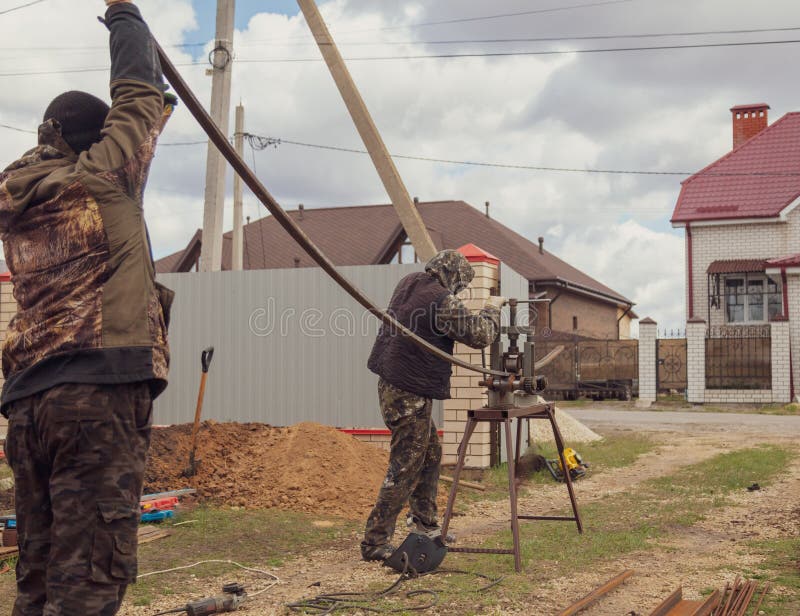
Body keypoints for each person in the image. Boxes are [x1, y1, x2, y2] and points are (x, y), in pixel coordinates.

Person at [0, 1, 174, 613]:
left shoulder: (22, 197)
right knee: (91, 576)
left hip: (28, 405)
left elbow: (142, 115)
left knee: (42, 573)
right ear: (96, 143)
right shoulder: (100, 181)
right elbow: (137, 106)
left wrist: (156, 101)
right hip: (95, 396)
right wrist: (125, 16)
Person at [361, 249, 505, 561]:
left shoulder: (410, 281)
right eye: (461, 286)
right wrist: (493, 309)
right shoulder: (441, 300)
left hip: (395, 382)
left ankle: (424, 524)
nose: (459, 292)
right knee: (406, 463)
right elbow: (479, 335)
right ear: (454, 279)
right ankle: (374, 541)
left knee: (430, 453)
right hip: (407, 389)